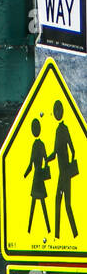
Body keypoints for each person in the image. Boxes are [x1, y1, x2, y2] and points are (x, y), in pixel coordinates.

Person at [53, 101, 79, 239]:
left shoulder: (60, 130)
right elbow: (73, 149)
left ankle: (58, 235)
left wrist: (48, 158)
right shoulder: (65, 129)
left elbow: (56, 151)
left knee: (60, 202)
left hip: (63, 173)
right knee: (65, 204)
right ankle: (73, 233)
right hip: (65, 172)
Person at [25, 118, 52, 234]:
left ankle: (33, 229)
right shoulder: (39, 145)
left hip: (37, 177)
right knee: (38, 203)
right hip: (38, 176)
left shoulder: (37, 145)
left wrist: (25, 174)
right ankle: (41, 228)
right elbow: (45, 159)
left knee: (37, 204)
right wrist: (25, 175)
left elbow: (31, 164)